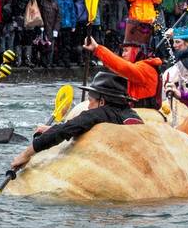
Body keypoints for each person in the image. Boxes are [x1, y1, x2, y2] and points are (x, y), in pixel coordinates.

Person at [10, 72, 143, 170]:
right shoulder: (134, 115)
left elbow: (65, 130)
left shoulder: (98, 113)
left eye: (90, 101)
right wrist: (52, 129)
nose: (88, 106)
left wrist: (26, 154)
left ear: (101, 102)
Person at [84, 37, 163, 109]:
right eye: (123, 51)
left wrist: (97, 49)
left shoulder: (146, 68)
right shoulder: (141, 66)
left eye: (126, 50)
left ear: (137, 51)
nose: (123, 54)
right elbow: (118, 68)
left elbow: (122, 67)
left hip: (145, 116)